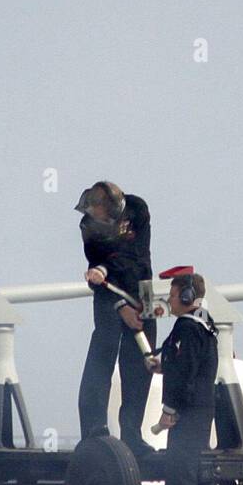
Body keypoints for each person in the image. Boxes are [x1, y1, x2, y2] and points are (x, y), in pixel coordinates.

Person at [75, 181, 156, 457]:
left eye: (97, 211)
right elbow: (98, 256)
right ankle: (93, 431)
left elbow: (134, 256)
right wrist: (119, 302)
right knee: (101, 359)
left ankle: (132, 436)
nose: (92, 216)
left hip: (140, 292)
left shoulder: (137, 209)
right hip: (108, 296)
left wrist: (106, 270)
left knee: (138, 369)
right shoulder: (88, 225)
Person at [148, 272, 218, 485]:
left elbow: (184, 372)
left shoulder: (187, 328)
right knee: (181, 474)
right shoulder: (204, 324)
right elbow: (180, 361)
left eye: (174, 295)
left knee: (180, 476)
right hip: (199, 410)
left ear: (187, 297)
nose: (170, 301)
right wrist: (161, 360)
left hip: (188, 412)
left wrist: (169, 411)